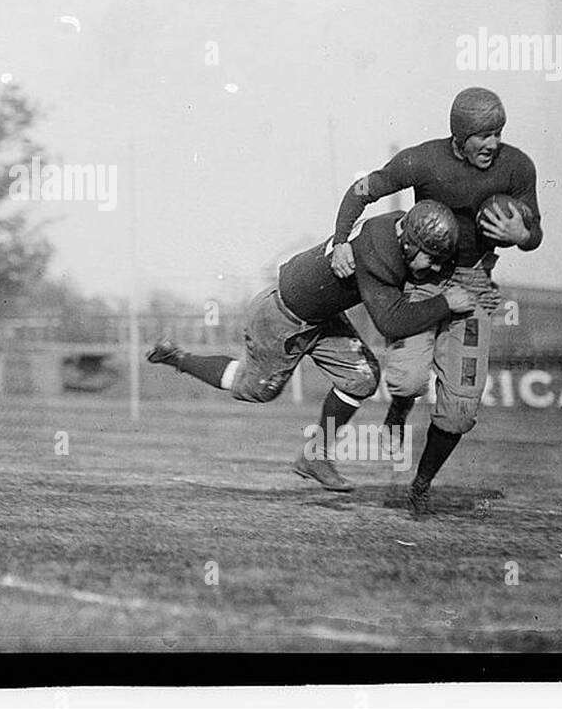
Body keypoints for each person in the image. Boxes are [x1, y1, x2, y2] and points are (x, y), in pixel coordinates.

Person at [146, 201, 478, 498]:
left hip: (319, 315)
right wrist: (446, 302)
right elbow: (391, 323)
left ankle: (316, 455)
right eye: (431, 258)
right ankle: (178, 357)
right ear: (409, 243)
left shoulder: (397, 225)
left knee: (362, 378)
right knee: (255, 390)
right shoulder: (380, 254)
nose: (434, 267)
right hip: (280, 317)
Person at [326, 87, 543, 515]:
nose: (493, 144)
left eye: (498, 133)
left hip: (476, 286)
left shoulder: (517, 167)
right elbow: (360, 190)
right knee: (405, 380)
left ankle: (421, 484)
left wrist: (524, 237)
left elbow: (534, 231)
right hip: (424, 279)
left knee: (461, 409)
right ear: (459, 136)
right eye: (483, 135)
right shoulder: (423, 160)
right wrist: (339, 242)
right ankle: (398, 411)